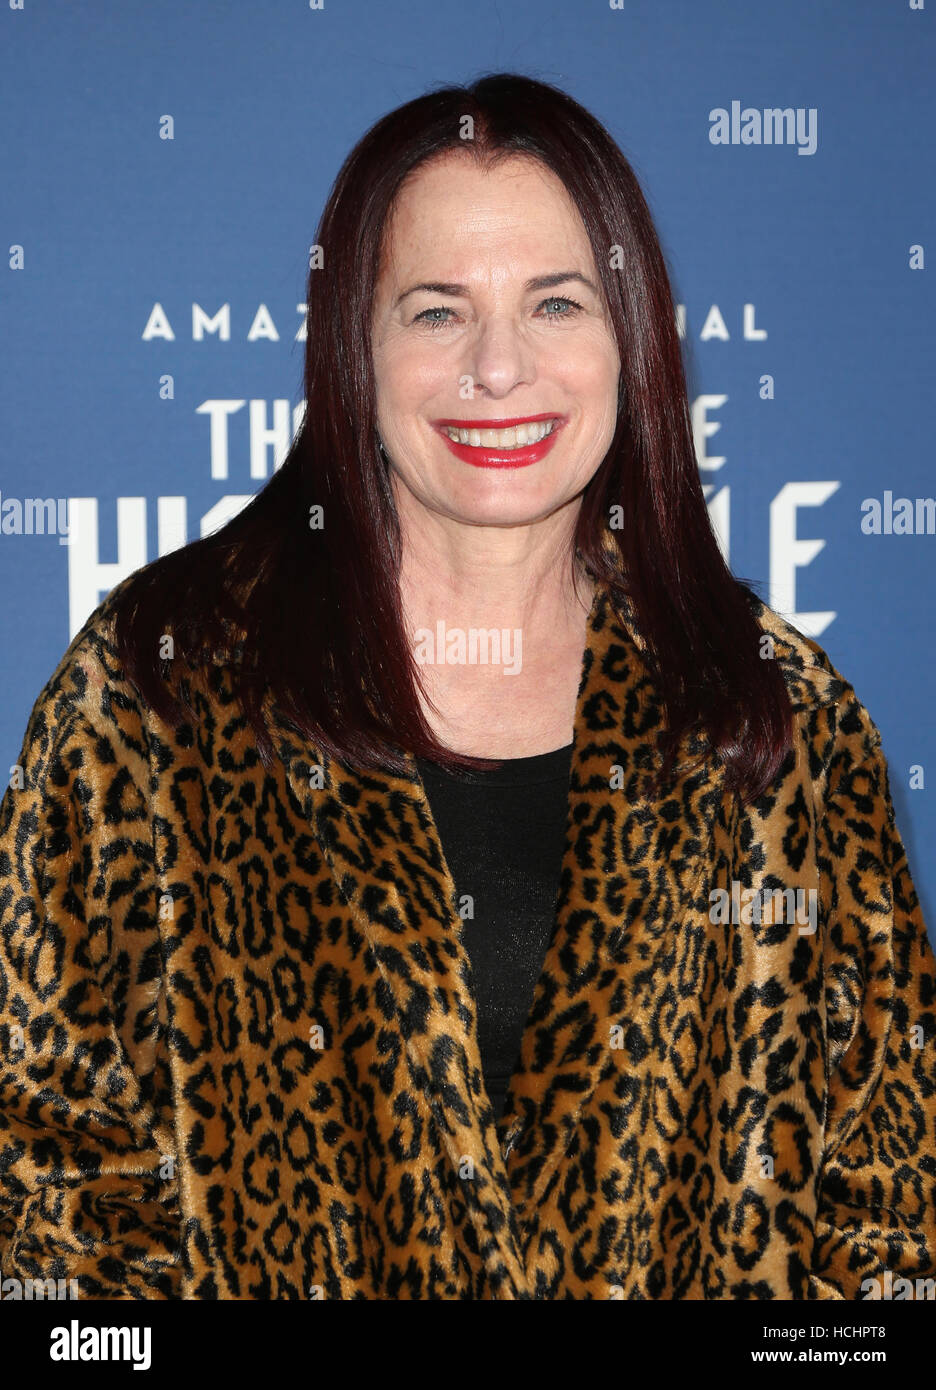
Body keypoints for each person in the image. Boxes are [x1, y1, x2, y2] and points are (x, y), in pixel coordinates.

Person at [1, 72, 933, 1301]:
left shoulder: (769, 716)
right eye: (437, 312)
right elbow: (44, 1167)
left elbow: (886, 1201)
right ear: (355, 348)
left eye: (556, 302)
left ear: (631, 335)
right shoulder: (158, 689)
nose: (501, 368)